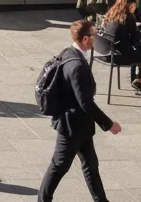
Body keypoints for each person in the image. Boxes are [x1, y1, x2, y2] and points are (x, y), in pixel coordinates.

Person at [37, 19, 121, 202]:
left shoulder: (69, 52)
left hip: (80, 125)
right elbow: (85, 102)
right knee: (59, 166)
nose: (95, 38)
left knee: (91, 165)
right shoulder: (77, 66)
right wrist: (109, 124)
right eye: (93, 35)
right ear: (85, 39)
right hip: (72, 126)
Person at [93, 0, 141, 95]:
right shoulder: (128, 17)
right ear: (132, 5)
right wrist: (138, 27)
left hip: (107, 53)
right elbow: (136, 39)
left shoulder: (111, 14)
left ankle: (139, 80)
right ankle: (140, 80)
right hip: (120, 56)